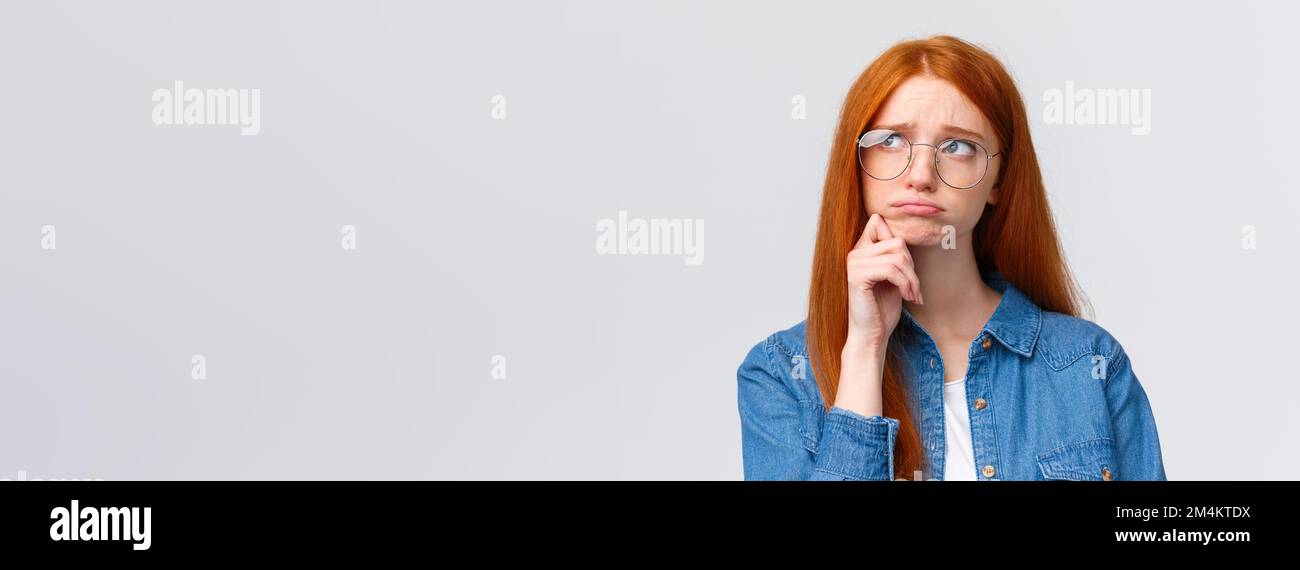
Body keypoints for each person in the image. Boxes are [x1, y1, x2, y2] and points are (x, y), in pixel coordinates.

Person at [736, 35, 1166, 481]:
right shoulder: (781, 375)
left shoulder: (1088, 364)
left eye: (958, 146)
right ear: (856, 164)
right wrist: (865, 349)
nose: (920, 175)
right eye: (890, 141)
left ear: (999, 178)